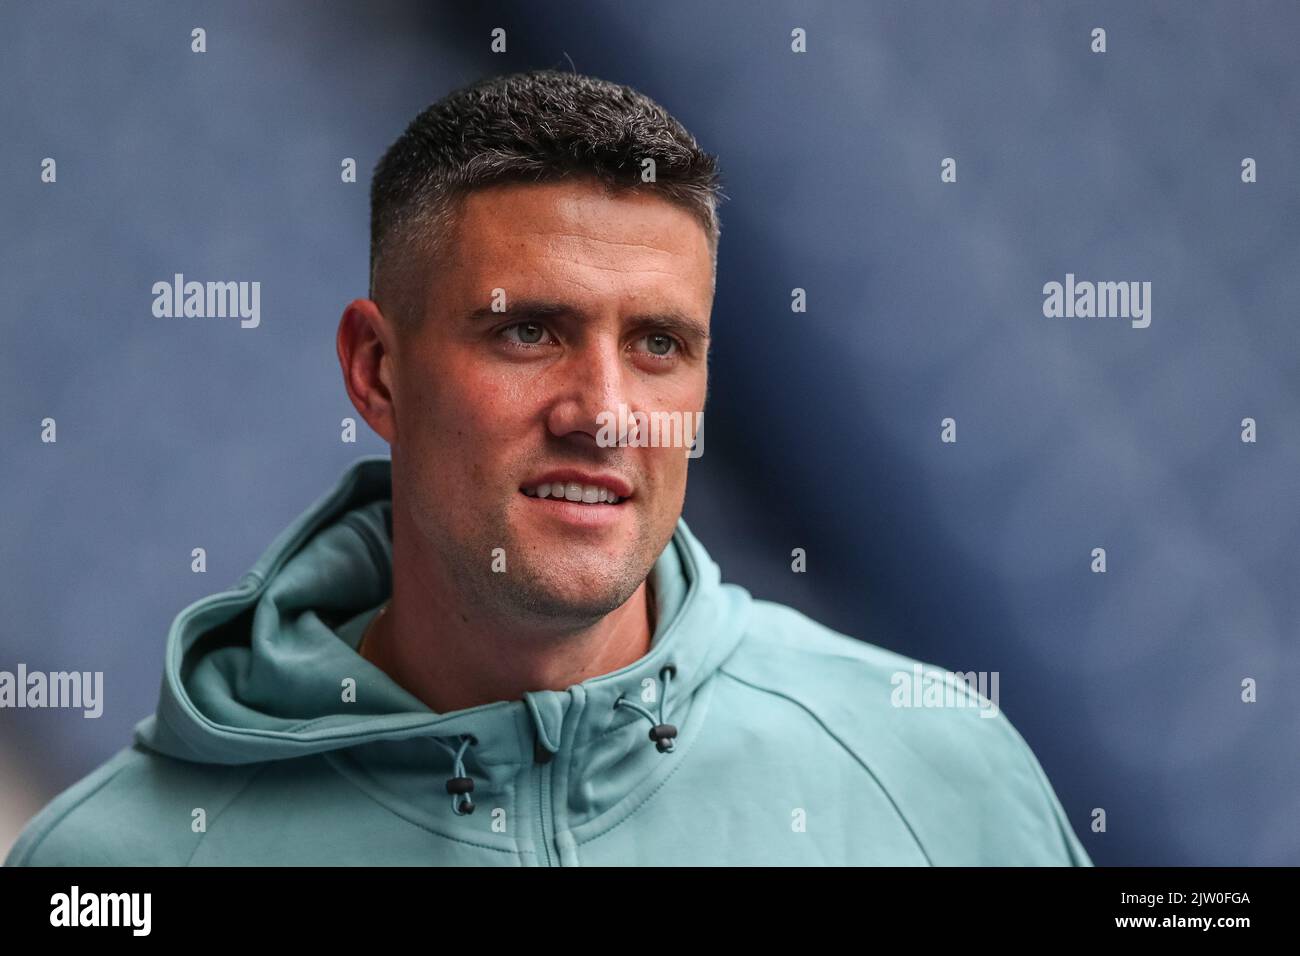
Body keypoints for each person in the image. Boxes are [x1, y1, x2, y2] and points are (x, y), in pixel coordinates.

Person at [5, 69, 1091, 866]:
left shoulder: (936, 770)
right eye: (528, 332)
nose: (605, 414)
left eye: (659, 345)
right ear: (377, 370)